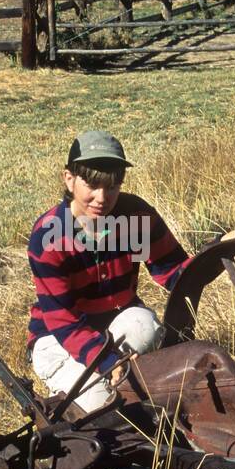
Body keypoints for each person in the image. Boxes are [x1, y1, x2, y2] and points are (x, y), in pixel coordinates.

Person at [26, 130, 191, 414]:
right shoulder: (50, 237)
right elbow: (64, 322)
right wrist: (107, 363)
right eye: (92, 184)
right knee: (100, 408)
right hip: (59, 339)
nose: (102, 198)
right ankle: (87, 389)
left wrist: (217, 253)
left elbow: (173, 273)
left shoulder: (134, 217)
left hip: (116, 326)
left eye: (112, 186)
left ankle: (125, 387)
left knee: (145, 325)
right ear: (69, 179)